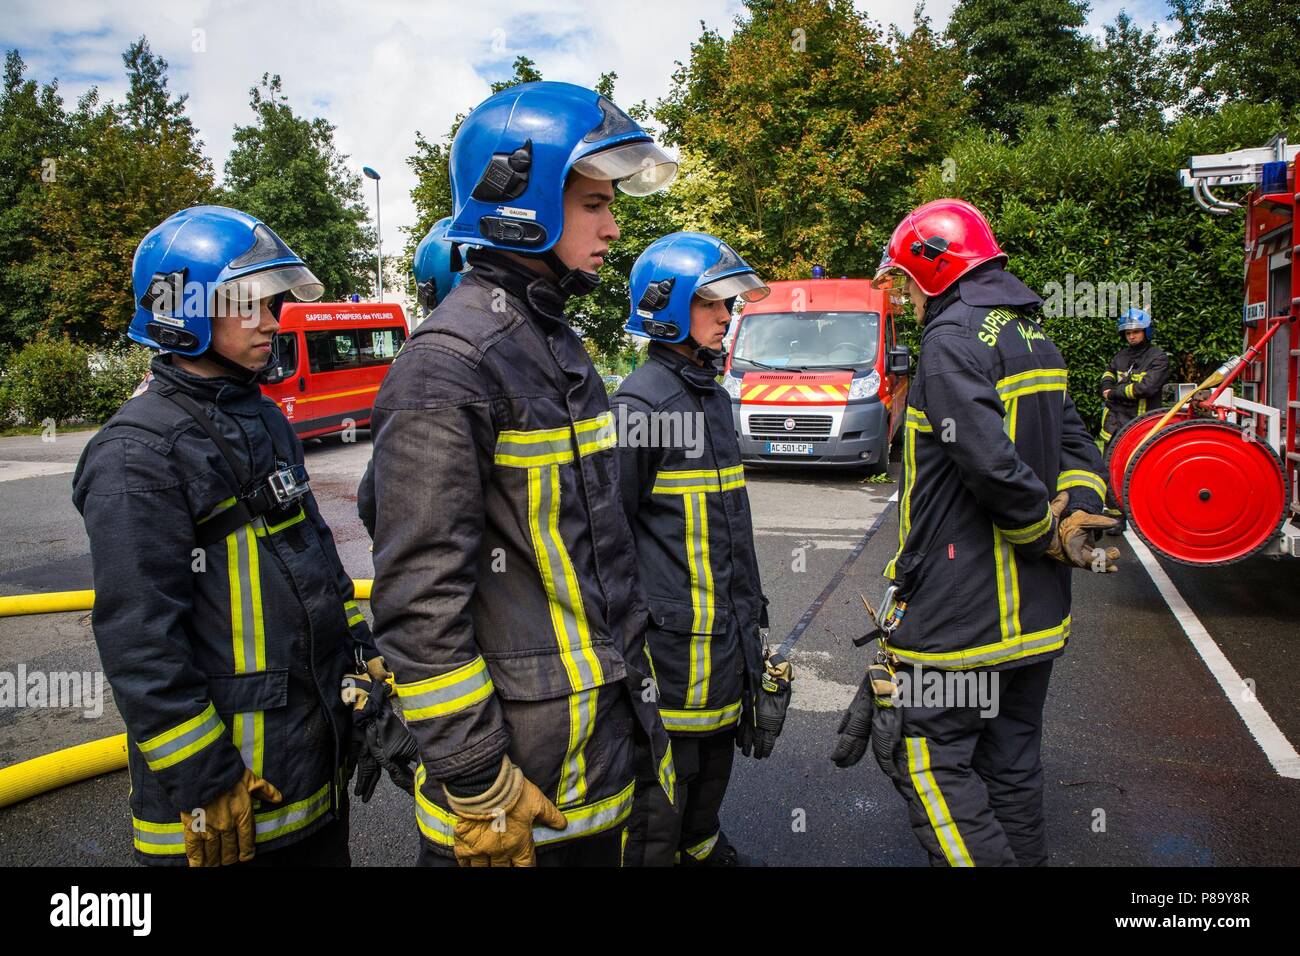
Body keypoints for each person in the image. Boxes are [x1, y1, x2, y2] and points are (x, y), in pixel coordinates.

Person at [362, 81, 678, 867]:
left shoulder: (548, 342)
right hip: (512, 786)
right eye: (595, 204)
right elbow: (418, 600)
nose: (614, 226)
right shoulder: (453, 363)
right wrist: (475, 779)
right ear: (524, 195)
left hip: (585, 753)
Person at [72, 205, 394, 866]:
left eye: (270, 303)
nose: (271, 322)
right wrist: (203, 779)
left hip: (307, 781)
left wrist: (360, 651)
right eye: (246, 304)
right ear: (179, 311)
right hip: (221, 814)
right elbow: (139, 639)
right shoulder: (138, 453)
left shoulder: (264, 420)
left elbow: (317, 565)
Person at [833, 198, 1119, 867]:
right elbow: (1079, 444)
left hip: (962, 622)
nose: (901, 295)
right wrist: (1073, 509)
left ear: (936, 269)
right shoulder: (1029, 335)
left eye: (905, 278)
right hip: (1035, 622)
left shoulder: (951, 339)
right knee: (1011, 765)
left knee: (927, 760)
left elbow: (989, 463)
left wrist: (1036, 530)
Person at [612, 232, 789, 867]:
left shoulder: (712, 396)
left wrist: (752, 621)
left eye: (729, 304)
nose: (727, 316)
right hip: (670, 654)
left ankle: (705, 851)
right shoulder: (640, 402)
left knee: (712, 779)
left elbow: (728, 528)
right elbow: (610, 540)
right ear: (668, 306)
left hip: (726, 643)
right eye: (712, 303)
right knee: (661, 798)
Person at [1099, 307, 1170, 449]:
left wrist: (1113, 393)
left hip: (1142, 427)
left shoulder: (1158, 358)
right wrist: (1106, 386)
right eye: (1128, 333)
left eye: (1136, 332)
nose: (1131, 336)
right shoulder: (1121, 356)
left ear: (1146, 332)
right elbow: (1109, 373)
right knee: (1109, 466)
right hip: (1115, 426)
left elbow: (1146, 388)